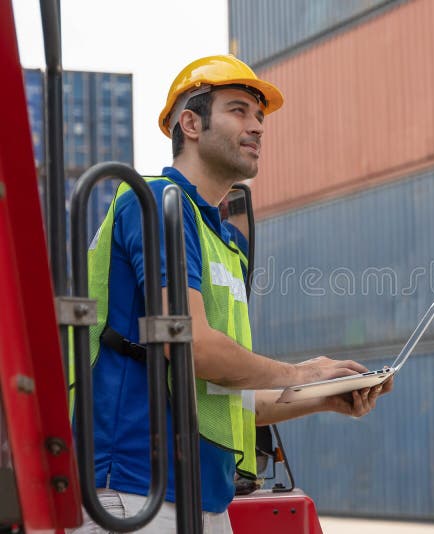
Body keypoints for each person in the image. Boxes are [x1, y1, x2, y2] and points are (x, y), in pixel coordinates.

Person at [74, 55, 393, 532]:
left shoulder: (223, 243)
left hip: (205, 497)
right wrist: (302, 371)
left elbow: (225, 395)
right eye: (239, 110)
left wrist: (325, 395)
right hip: (136, 492)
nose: (257, 127)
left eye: (260, 117)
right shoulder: (159, 205)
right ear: (191, 123)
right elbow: (197, 349)